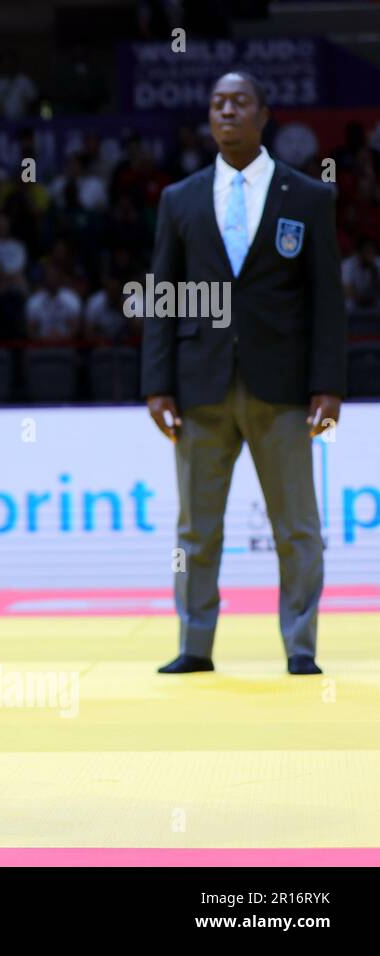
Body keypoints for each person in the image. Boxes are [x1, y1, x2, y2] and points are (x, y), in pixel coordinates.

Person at [142, 72, 347, 676]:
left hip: (283, 388)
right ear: (209, 117)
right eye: (217, 104)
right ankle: (195, 645)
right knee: (196, 531)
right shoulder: (179, 198)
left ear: (263, 114)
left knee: (297, 527)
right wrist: (156, 383)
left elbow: (327, 299)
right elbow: (163, 295)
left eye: (239, 103)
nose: (226, 111)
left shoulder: (308, 197)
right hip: (199, 384)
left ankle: (301, 645)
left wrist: (328, 383)